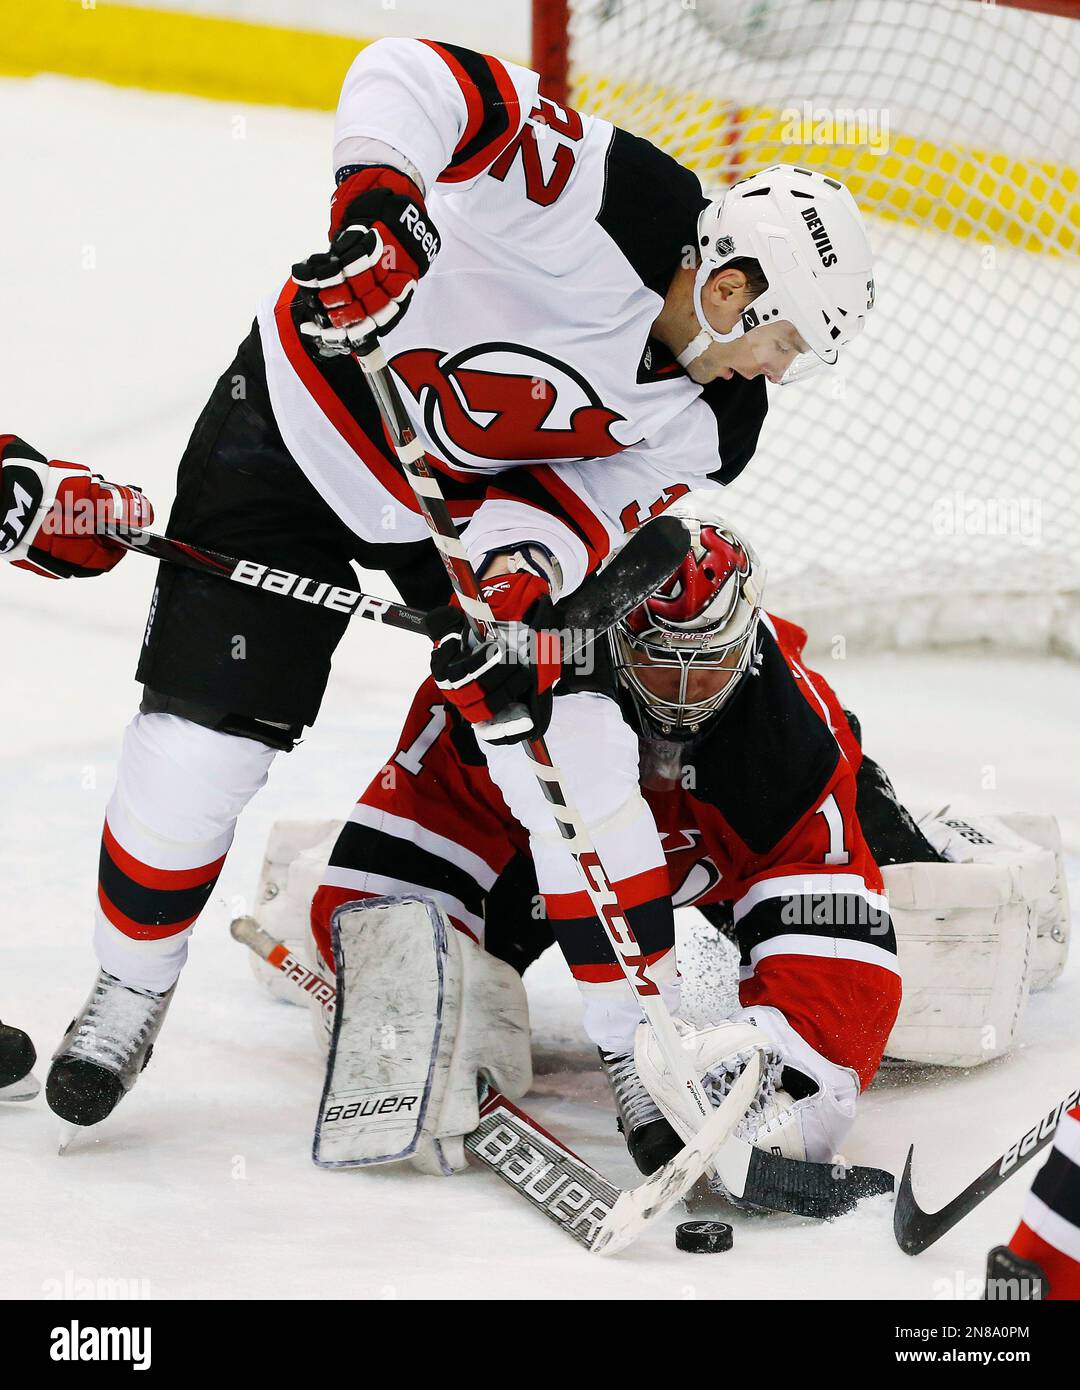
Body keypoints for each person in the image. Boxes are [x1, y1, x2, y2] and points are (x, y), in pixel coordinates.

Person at [43, 37, 873, 1130]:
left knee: (568, 742)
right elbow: (413, 75)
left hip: (464, 513)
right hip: (299, 419)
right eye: (782, 341)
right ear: (729, 286)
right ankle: (129, 987)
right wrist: (382, 215)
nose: (779, 372)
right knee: (204, 740)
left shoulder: (718, 422)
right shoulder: (613, 196)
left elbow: (583, 509)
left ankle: (642, 1047)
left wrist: (520, 586)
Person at [310, 496, 902, 1174]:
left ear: (748, 640)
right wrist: (404, 997)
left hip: (727, 865)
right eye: (656, 662)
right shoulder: (509, 695)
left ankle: (931, 846)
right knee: (402, 962)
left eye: (707, 663)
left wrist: (789, 1065)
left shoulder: (790, 729)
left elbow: (835, 933)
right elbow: (391, 867)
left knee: (936, 955)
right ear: (611, 637)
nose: (682, 691)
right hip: (541, 874)